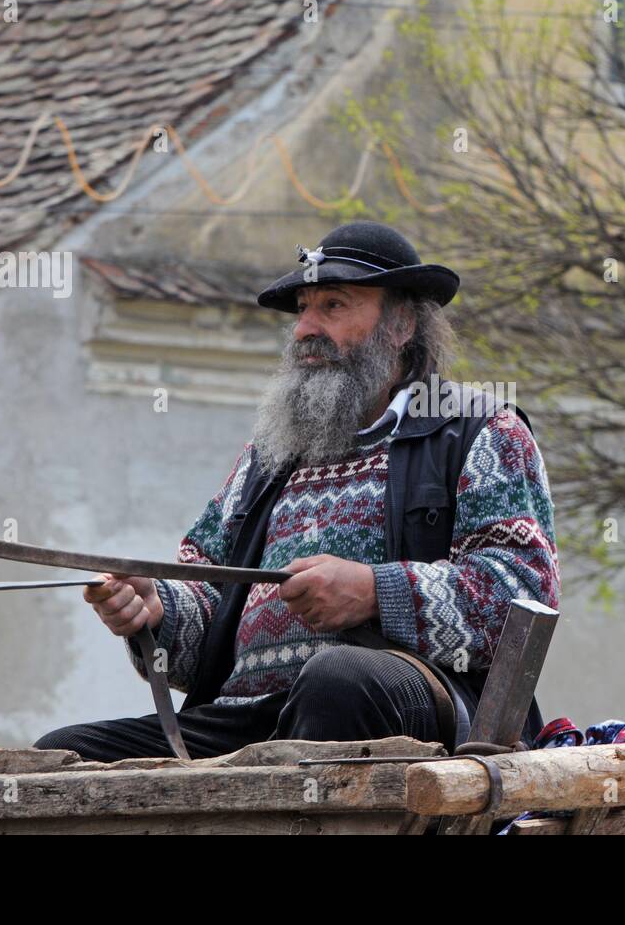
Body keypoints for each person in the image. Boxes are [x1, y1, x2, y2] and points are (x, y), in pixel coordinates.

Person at [35, 221, 559, 761]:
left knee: (335, 679)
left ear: (401, 323)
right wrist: (155, 609)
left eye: (333, 305)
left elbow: (525, 597)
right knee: (65, 756)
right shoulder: (270, 455)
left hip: (408, 705)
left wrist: (375, 590)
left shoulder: (480, 430)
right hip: (251, 718)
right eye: (303, 308)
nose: (305, 328)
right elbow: (208, 610)